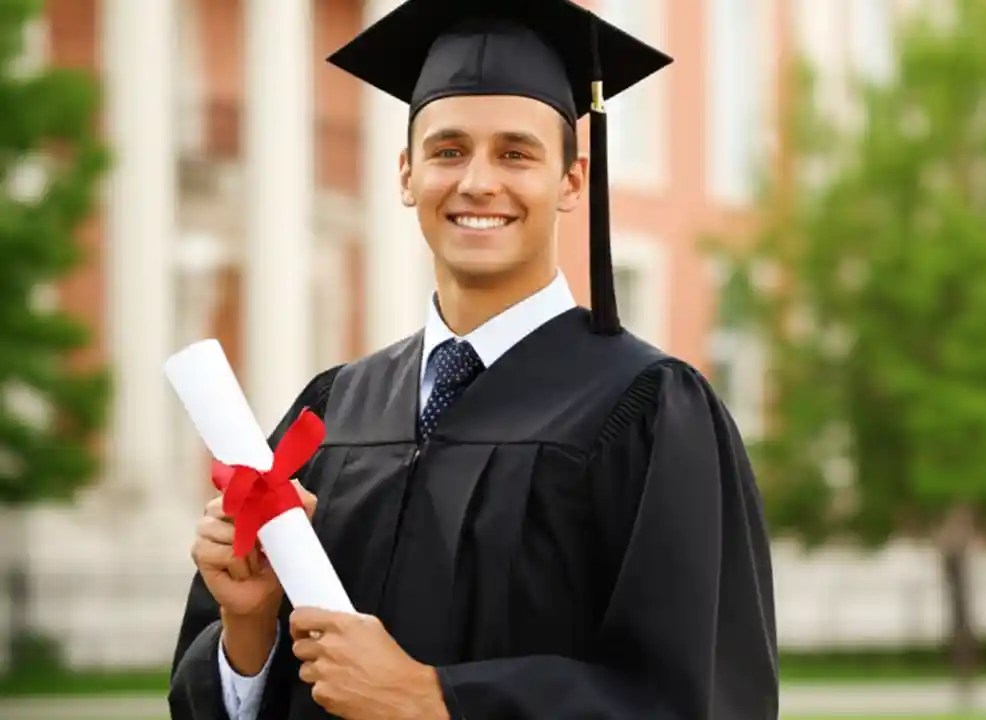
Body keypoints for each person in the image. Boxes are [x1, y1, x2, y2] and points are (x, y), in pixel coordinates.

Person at [167, 0, 779, 718]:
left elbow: (695, 700)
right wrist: (247, 628)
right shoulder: (334, 411)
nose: (478, 182)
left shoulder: (647, 412)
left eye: (515, 153)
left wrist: (436, 698)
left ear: (571, 181)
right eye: (448, 151)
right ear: (406, 174)